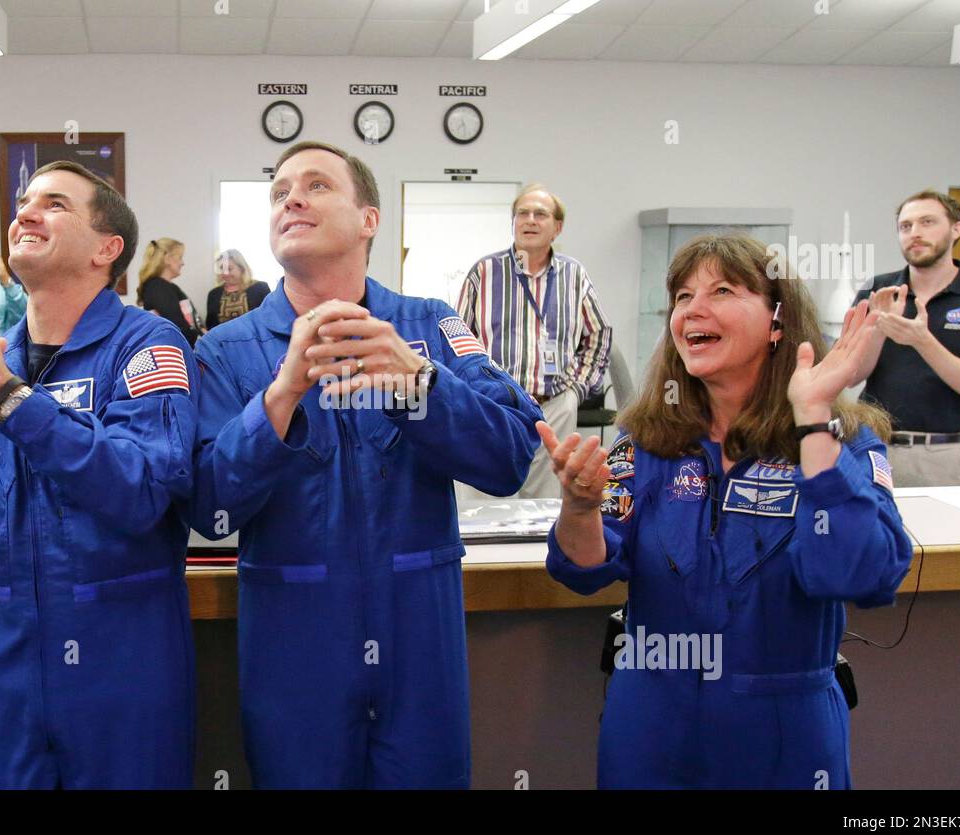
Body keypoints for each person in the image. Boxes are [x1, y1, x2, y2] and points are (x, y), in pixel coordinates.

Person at [190, 141, 542, 789]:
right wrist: (280, 396)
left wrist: (419, 385)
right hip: (294, 651)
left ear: (369, 219)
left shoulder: (431, 326)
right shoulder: (224, 350)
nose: (290, 198)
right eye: (279, 192)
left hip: (417, 646)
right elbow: (209, 508)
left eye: (317, 185)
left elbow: (511, 457)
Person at [543, 234, 912, 789]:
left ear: (777, 322)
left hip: (782, 729)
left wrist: (810, 418)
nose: (694, 308)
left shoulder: (843, 441)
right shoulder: (645, 441)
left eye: (722, 290)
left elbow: (862, 576)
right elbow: (586, 570)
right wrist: (579, 506)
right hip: (650, 721)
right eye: (683, 296)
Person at [0, 160, 198, 790]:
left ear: (108, 250)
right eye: (24, 202)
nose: (24, 213)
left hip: (121, 651)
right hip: (9, 653)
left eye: (54, 204)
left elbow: (141, 492)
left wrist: (3, 395)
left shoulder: (149, 345)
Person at [457, 183, 612, 498]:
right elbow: (458, 339)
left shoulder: (574, 275)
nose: (529, 220)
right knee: (488, 499)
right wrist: (473, 391)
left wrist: (575, 390)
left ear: (557, 227)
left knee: (544, 505)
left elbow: (599, 334)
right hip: (494, 406)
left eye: (540, 214)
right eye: (522, 214)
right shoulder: (484, 272)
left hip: (553, 405)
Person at [851, 190, 960, 487]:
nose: (915, 233)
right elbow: (850, 376)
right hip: (871, 447)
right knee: (865, 534)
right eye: (906, 226)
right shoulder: (878, 289)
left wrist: (921, 340)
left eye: (927, 222)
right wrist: (877, 328)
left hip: (941, 453)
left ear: (956, 228)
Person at [137, 238, 203, 348]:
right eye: (180, 258)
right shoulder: (157, 287)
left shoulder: (168, 287)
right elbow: (178, 326)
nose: (183, 263)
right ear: (167, 259)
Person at [205, 249, 269, 330]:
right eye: (221, 268)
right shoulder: (213, 294)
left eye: (229, 269)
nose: (225, 273)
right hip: (224, 341)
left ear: (242, 268)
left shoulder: (260, 288)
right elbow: (211, 326)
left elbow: (269, 319)